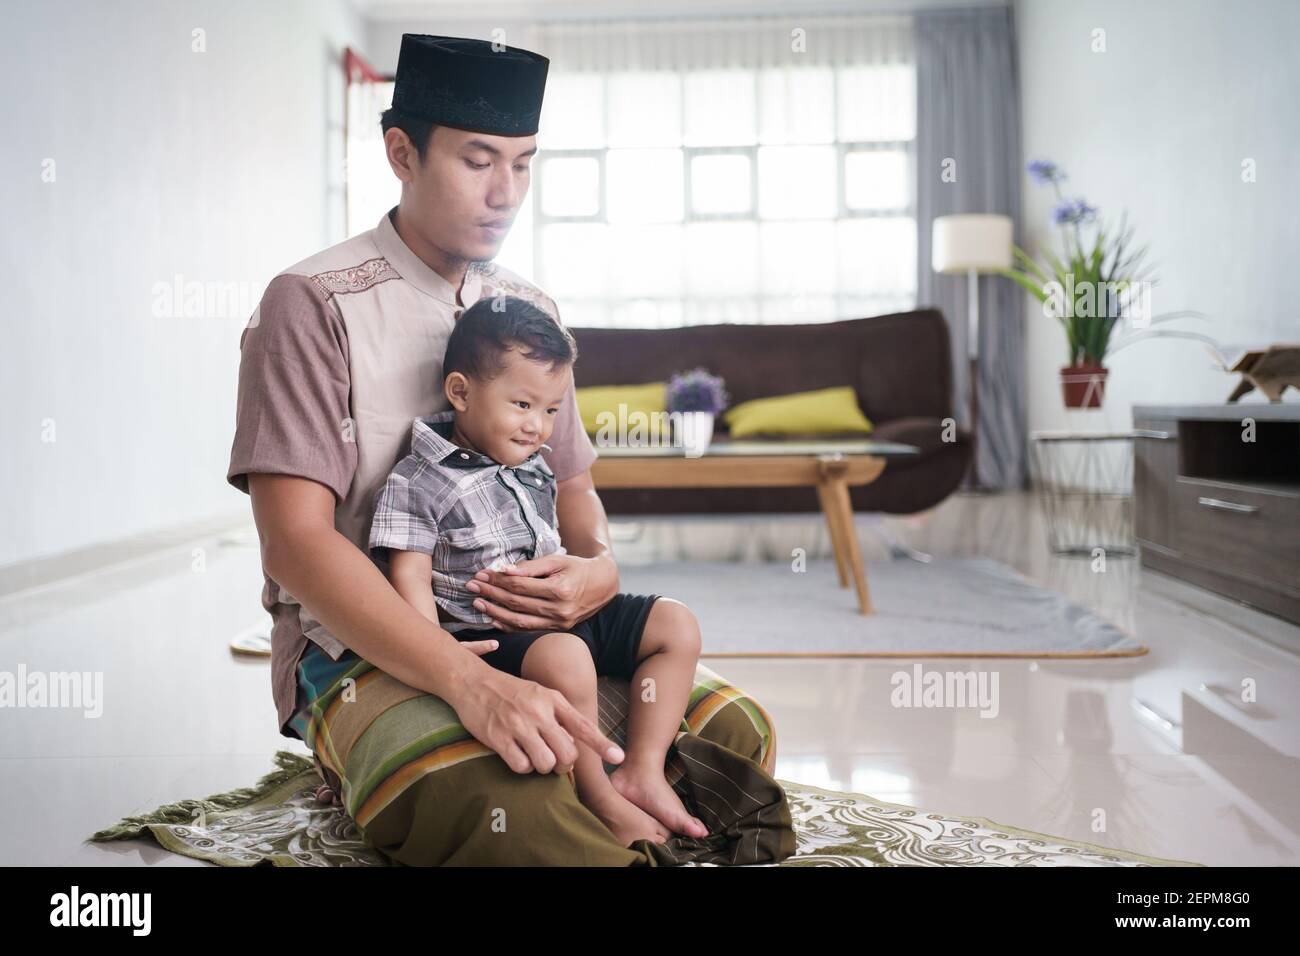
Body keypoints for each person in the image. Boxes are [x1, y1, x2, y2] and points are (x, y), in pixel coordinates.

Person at [225, 33, 779, 865]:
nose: (505, 193)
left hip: (542, 640)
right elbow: (296, 546)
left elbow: (574, 489)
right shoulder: (312, 306)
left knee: (738, 730)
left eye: (523, 164)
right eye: (479, 161)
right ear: (402, 154)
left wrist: (601, 570)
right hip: (367, 649)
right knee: (513, 807)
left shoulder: (528, 308)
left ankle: (607, 786)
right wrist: (469, 683)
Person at [369, 296, 709, 846]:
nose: (538, 427)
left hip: (569, 609)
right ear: (461, 392)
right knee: (567, 655)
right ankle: (597, 795)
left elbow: (567, 527)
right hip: (493, 631)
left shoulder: (533, 464)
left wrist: (590, 572)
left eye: (551, 411)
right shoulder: (419, 478)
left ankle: (642, 770)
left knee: (677, 624)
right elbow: (409, 572)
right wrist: (435, 650)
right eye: (523, 404)